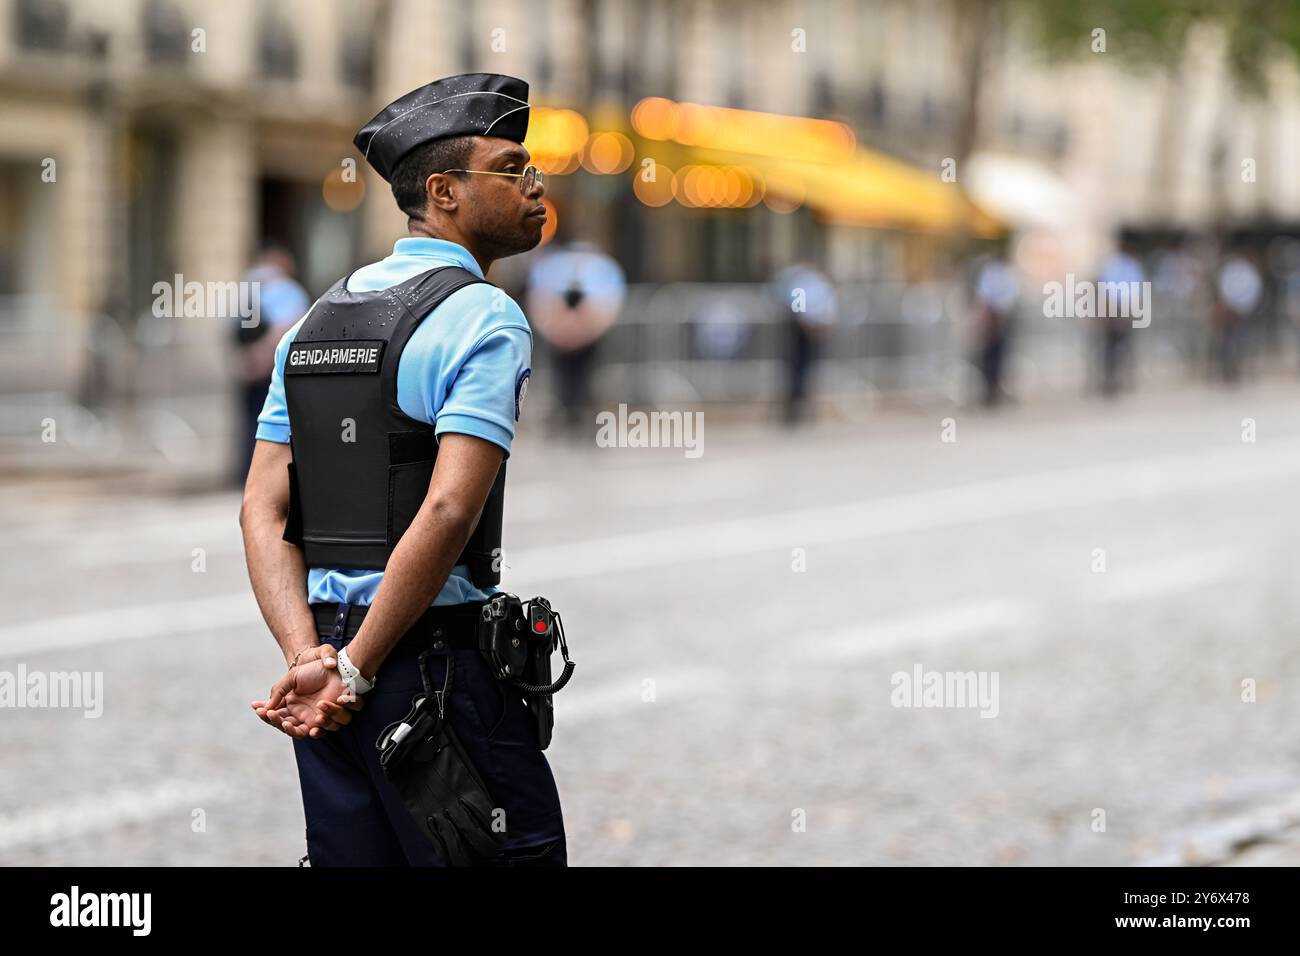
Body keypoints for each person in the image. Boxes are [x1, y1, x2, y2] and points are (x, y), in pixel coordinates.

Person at [239, 72, 566, 866]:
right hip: (434, 676)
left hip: (327, 679)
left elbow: (262, 512)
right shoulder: (483, 315)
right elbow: (449, 513)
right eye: (513, 167)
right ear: (444, 190)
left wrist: (310, 661)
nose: (537, 184)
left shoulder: (316, 319)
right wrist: (356, 670)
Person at [232, 243, 309, 485]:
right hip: (269, 366)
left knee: (255, 421)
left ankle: (249, 471)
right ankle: (262, 474)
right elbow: (284, 330)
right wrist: (260, 359)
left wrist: (247, 359)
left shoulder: (250, 286)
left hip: (255, 365)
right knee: (271, 423)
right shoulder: (286, 290)